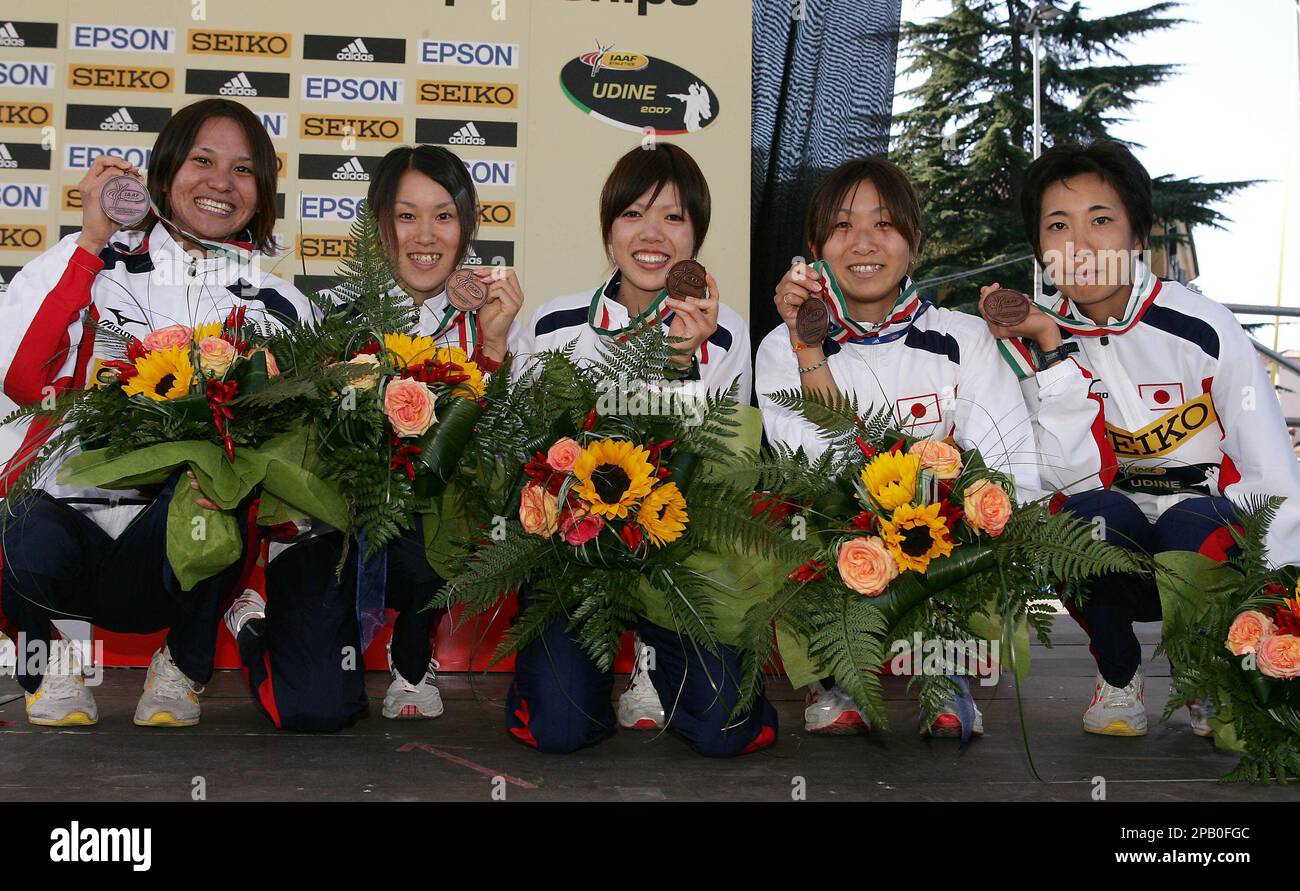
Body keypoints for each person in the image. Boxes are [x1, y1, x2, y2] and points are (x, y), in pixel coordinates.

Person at [0, 98, 315, 728]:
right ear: (164, 172)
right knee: (17, 517)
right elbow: (23, 378)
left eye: (244, 170)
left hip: (176, 545)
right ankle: (44, 663)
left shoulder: (280, 304)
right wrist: (91, 242)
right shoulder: (86, 261)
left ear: (263, 193)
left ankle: (184, 662)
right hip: (70, 521)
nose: (221, 182)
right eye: (203, 160)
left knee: (226, 476)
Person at [981, 140, 1300, 737]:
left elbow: (1268, 465)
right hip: (1113, 541)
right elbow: (1063, 477)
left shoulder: (1204, 325)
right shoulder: (1028, 337)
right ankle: (1119, 676)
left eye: (1101, 220)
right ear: (1041, 249)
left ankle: (1206, 672)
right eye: (1058, 225)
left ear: (1138, 237)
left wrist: (1279, 598)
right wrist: (1053, 355)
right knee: (1085, 516)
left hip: (1206, 536)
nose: (1079, 244)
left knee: (1191, 521)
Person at [224, 144, 524, 728]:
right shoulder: (329, 314)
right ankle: (255, 621)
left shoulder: (492, 316)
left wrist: (491, 351)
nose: (425, 235)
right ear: (378, 222)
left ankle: (414, 654)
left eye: (444, 215)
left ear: (467, 225)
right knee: (314, 713)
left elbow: (502, 456)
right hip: (330, 532)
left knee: (462, 505)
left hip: (430, 531)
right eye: (406, 215)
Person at [756, 156, 1044, 737]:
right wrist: (808, 347)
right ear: (814, 250)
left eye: (884, 224)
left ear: (914, 242)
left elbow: (1009, 465)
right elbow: (818, 476)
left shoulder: (964, 339)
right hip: (844, 536)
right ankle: (837, 676)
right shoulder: (778, 349)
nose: (862, 242)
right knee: (802, 519)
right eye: (840, 226)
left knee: (981, 507)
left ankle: (945, 672)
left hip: (941, 544)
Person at [506, 142, 774, 756]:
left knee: (725, 733)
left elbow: (707, 468)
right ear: (607, 232)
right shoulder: (555, 323)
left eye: (674, 217)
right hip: (573, 555)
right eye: (633, 214)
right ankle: (585, 675)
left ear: (696, 238)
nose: (652, 233)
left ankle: (653, 660)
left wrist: (682, 362)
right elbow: (527, 450)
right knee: (560, 729)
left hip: (678, 555)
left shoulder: (725, 331)